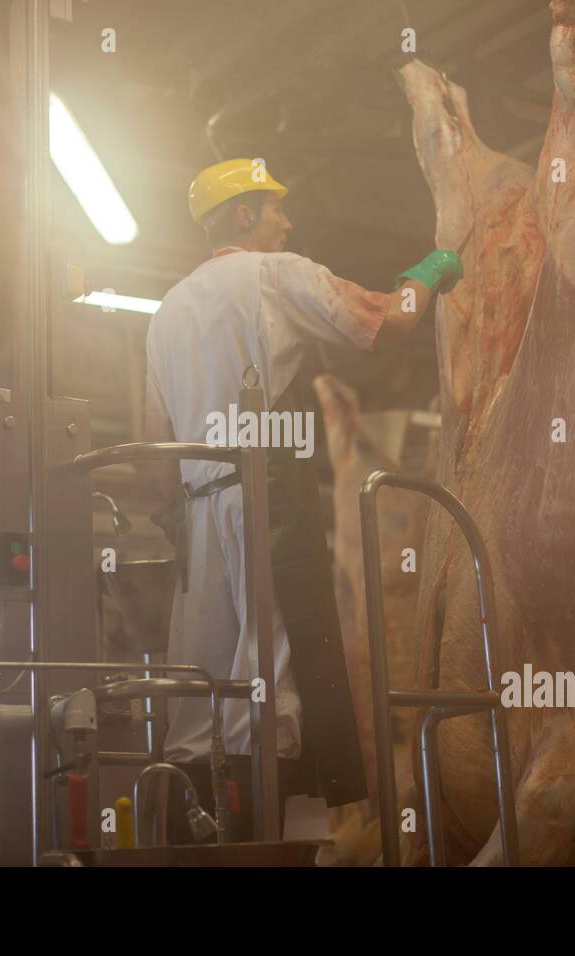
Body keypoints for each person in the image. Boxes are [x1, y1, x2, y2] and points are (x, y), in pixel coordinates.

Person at [144, 158, 462, 842]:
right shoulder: (274, 275)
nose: (287, 221)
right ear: (242, 217)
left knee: (204, 698)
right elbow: (390, 320)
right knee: (275, 686)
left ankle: (204, 840)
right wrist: (435, 268)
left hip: (196, 514)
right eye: (275, 208)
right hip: (265, 504)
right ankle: (272, 838)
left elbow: (155, 458)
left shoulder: (165, 313)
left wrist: (197, 523)